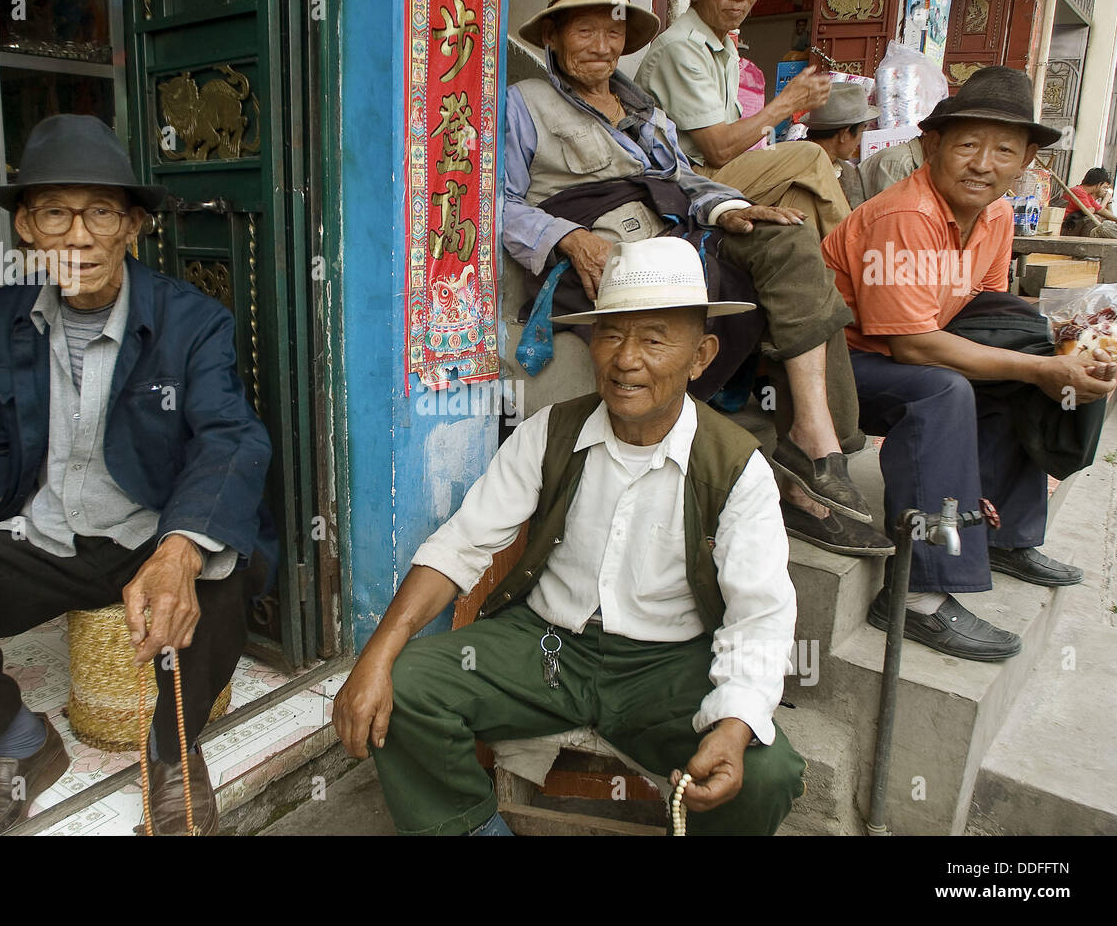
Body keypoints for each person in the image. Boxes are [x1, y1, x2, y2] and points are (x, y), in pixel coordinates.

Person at [0, 114, 279, 835]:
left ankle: (174, 753)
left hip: (150, 530)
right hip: (45, 537)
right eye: (54, 212)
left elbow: (230, 438)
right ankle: (19, 742)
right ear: (26, 227)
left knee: (220, 572)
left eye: (100, 212)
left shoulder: (192, 321)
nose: (77, 236)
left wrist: (178, 550)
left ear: (133, 226)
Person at [332, 237, 807, 835]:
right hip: (548, 649)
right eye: (610, 335)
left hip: (667, 667)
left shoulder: (736, 466)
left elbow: (759, 613)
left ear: (701, 354)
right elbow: (462, 545)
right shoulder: (550, 431)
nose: (625, 359)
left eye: (655, 339)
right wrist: (377, 654)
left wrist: (735, 726)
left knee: (765, 773)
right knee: (406, 685)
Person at [505, 0, 891, 556]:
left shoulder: (641, 107)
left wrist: (729, 208)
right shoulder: (523, 104)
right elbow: (495, 202)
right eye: (585, 32)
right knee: (729, 284)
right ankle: (801, 482)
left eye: (612, 34)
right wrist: (564, 236)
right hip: (613, 255)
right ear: (553, 36)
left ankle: (815, 440)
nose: (603, 47)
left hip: (679, 232)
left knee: (785, 240)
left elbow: (683, 178)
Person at [822, 67, 1117, 661]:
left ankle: (1003, 533)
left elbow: (985, 305)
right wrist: (1037, 369)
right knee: (944, 392)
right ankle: (917, 592)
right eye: (967, 144)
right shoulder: (905, 215)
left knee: (1031, 352)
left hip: (909, 347)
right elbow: (913, 347)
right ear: (933, 146)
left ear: (1028, 159)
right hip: (836, 363)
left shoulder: (998, 215)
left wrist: (1073, 341)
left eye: (1005, 149)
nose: (983, 163)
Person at [634, 0, 851, 238]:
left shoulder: (723, 49)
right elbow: (719, 149)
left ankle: (830, 269)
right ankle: (855, 254)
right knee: (811, 155)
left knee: (801, 200)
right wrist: (786, 104)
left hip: (715, 172)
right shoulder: (680, 48)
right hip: (683, 181)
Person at [802, 82, 879, 213]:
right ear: (844, 134)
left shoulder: (847, 173)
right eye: (861, 131)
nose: (860, 140)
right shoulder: (796, 166)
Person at [1060, 166, 1117, 236]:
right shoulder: (1078, 191)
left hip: (1072, 226)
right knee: (1094, 219)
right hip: (1065, 227)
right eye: (1104, 187)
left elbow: (1100, 210)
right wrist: (1093, 209)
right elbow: (1089, 211)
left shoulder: (1087, 195)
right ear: (1099, 184)